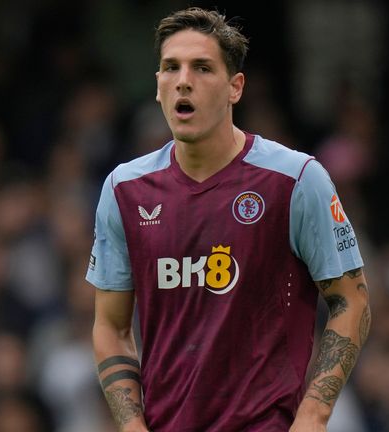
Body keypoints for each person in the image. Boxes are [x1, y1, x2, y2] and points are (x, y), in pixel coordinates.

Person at [87, 7, 370, 431]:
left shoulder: (295, 180)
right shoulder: (123, 190)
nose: (184, 79)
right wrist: (132, 426)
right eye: (171, 68)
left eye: (202, 68)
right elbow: (110, 325)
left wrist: (313, 416)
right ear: (159, 88)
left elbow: (352, 299)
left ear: (235, 87)